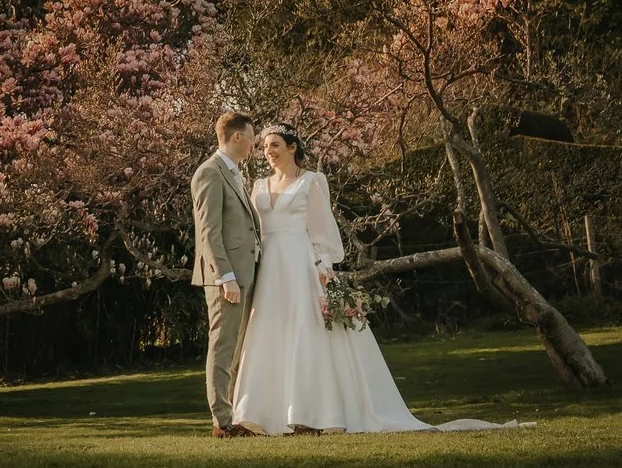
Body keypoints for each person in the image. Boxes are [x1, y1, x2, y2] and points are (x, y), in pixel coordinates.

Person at [229, 123, 519, 435]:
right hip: (270, 270)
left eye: (274, 145)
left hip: (301, 266)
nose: (268, 152)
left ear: (292, 147)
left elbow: (323, 233)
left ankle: (311, 413)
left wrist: (323, 272)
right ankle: (257, 415)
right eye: (264, 147)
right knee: (269, 334)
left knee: (306, 333)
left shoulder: (312, 181)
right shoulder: (258, 186)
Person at [188, 110, 262, 437]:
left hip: (243, 273)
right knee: (222, 346)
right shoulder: (210, 173)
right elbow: (209, 232)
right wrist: (225, 276)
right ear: (236, 137)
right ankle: (221, 421)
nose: (254, 145)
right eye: (252, 138)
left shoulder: (233, 173)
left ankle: (231, 414)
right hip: (225, 278)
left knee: (235, 347)